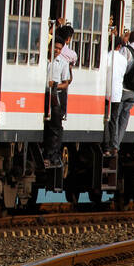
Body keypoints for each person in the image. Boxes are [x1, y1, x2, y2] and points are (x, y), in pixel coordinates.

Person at [108, 30, 134, 152]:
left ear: (130, 39)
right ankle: (117, 144)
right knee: (125, 118)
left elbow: (121, 67)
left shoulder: (126, 50)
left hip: (123, 88)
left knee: (116, 116)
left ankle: (113, 144)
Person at [42, 26, 74, 168]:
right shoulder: (43, 60)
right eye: (55, 48)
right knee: (46, 126)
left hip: (56, 96)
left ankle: (52, 155)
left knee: (55, 126)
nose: (56, 51)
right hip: (43, 94)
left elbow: (66, 83)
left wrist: (54, 85)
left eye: (59, 49)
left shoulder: (63, 63)